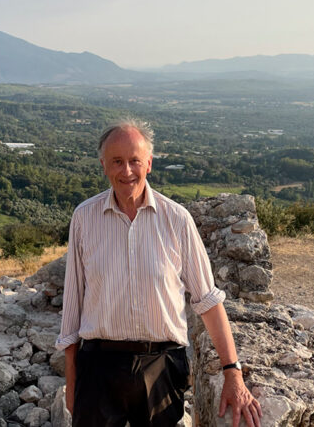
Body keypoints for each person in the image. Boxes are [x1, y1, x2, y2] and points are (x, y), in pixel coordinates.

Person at [56, 119, 262, 427]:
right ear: (103, 165)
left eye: (134, 161)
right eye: (117, 161)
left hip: (162, 368)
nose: (126, 171)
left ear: (148, 164)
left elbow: (207, 299)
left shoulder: (177, 220)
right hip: (98, 367)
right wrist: (73, 382)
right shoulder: (84, 218)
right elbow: (72, 306)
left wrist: (233, 372)